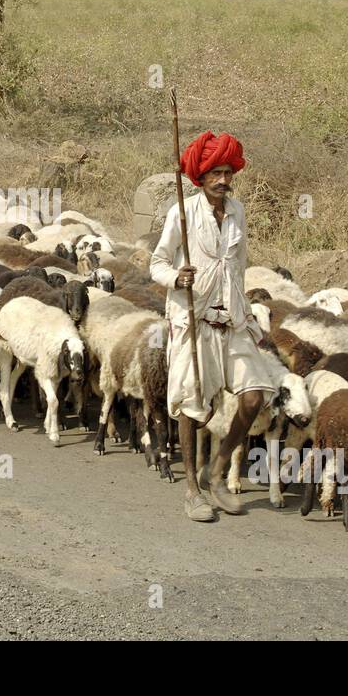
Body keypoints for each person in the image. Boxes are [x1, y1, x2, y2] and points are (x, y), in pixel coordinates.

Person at [150, 130, 276, 521]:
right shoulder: (181, 214)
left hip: (232, 318)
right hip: (196, 318)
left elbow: (237, 267)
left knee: (255, 395)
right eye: (215, 174)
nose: (223, 180)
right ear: (200, 177)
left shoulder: (237, 212)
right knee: (192, 404)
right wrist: (176, 277)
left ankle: (217, 472)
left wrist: (250, 314)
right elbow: (156, 263)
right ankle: (192, 490)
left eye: (227, 172)